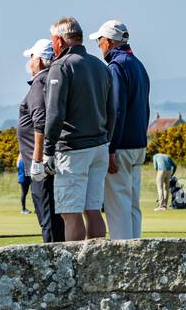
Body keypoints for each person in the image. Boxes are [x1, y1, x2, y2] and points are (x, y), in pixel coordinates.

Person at [33, 17, 115, 241]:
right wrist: (107, 140)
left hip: (73, 148)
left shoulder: (61, 66)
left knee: (70, 213)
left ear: (59, 40)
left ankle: (75, 269)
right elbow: (112, 111)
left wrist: (48, 151)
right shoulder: (100, 65)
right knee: (93, 209)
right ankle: (96, 263)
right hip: (99, 146)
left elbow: (55, 114)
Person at [92, 19, 150, 239]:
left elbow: (116, 109)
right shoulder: (137, 64)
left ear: (108, 41)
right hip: (138, 144)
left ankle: (123, 255)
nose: (99, 46)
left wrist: (111, 147)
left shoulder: (116, 67)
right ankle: (136, 250)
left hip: (122, 146)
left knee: (118, 205)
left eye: (100, 42)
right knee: (133, 205)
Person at [17, 38, 65, 242]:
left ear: (38, 61)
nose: (29, 63)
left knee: (49, 222)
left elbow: (40, 122)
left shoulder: (39, 83)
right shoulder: (54, 81)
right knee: (56, 220)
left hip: (41, 170)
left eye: (31, 58)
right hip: (50, 164)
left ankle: (54, 268)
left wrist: (37, 160)